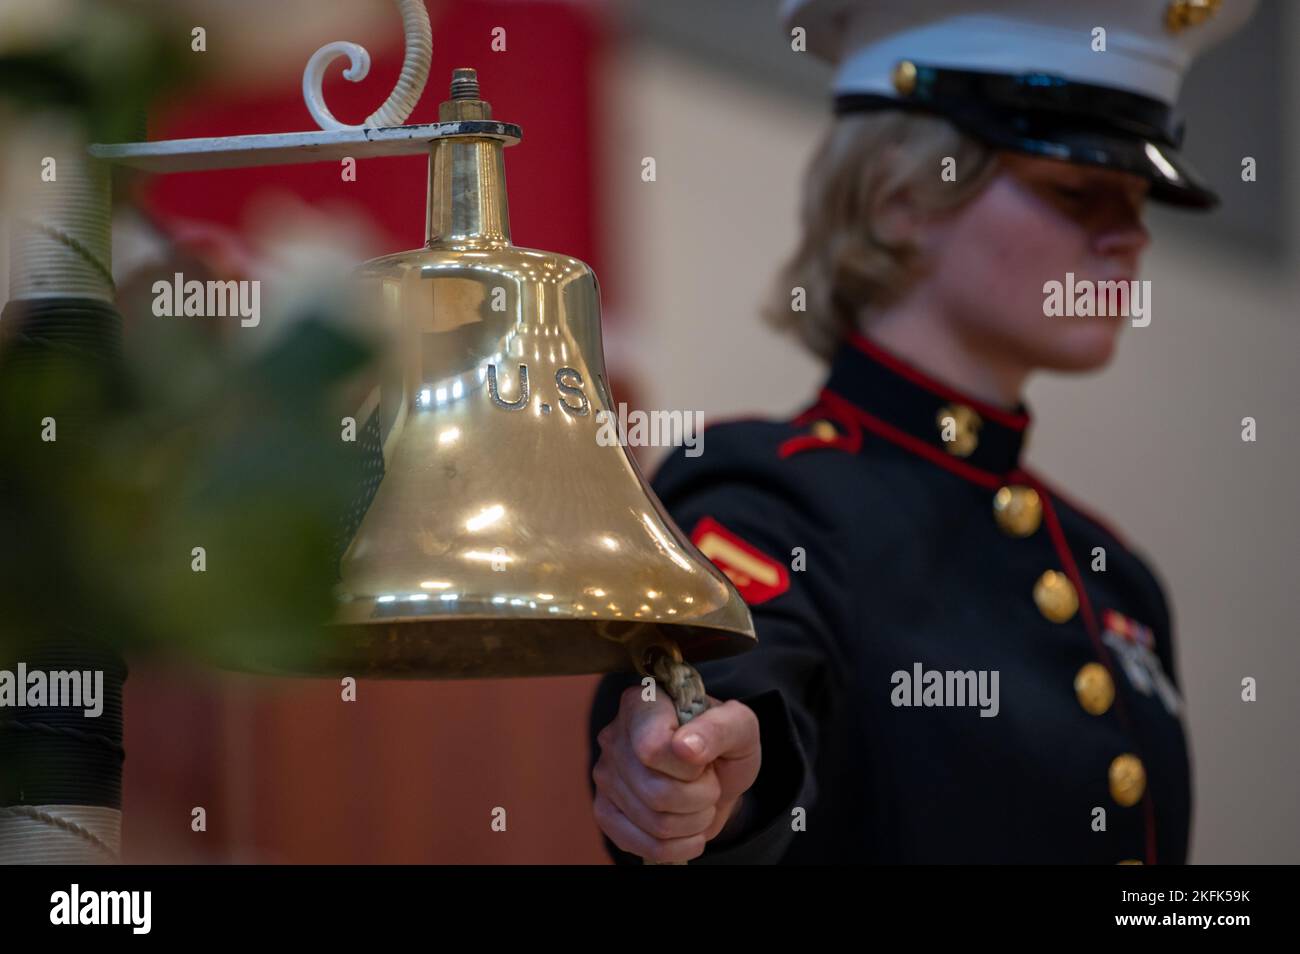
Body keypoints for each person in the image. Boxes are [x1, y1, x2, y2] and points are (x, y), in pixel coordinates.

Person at [587, 0, 1256, 863]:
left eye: (1138, 198)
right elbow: (731, 710)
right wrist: (701, 774)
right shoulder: (769, 495)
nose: (1130, 237)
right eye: (1077, 189)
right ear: (902, 197)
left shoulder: (1114, 574)